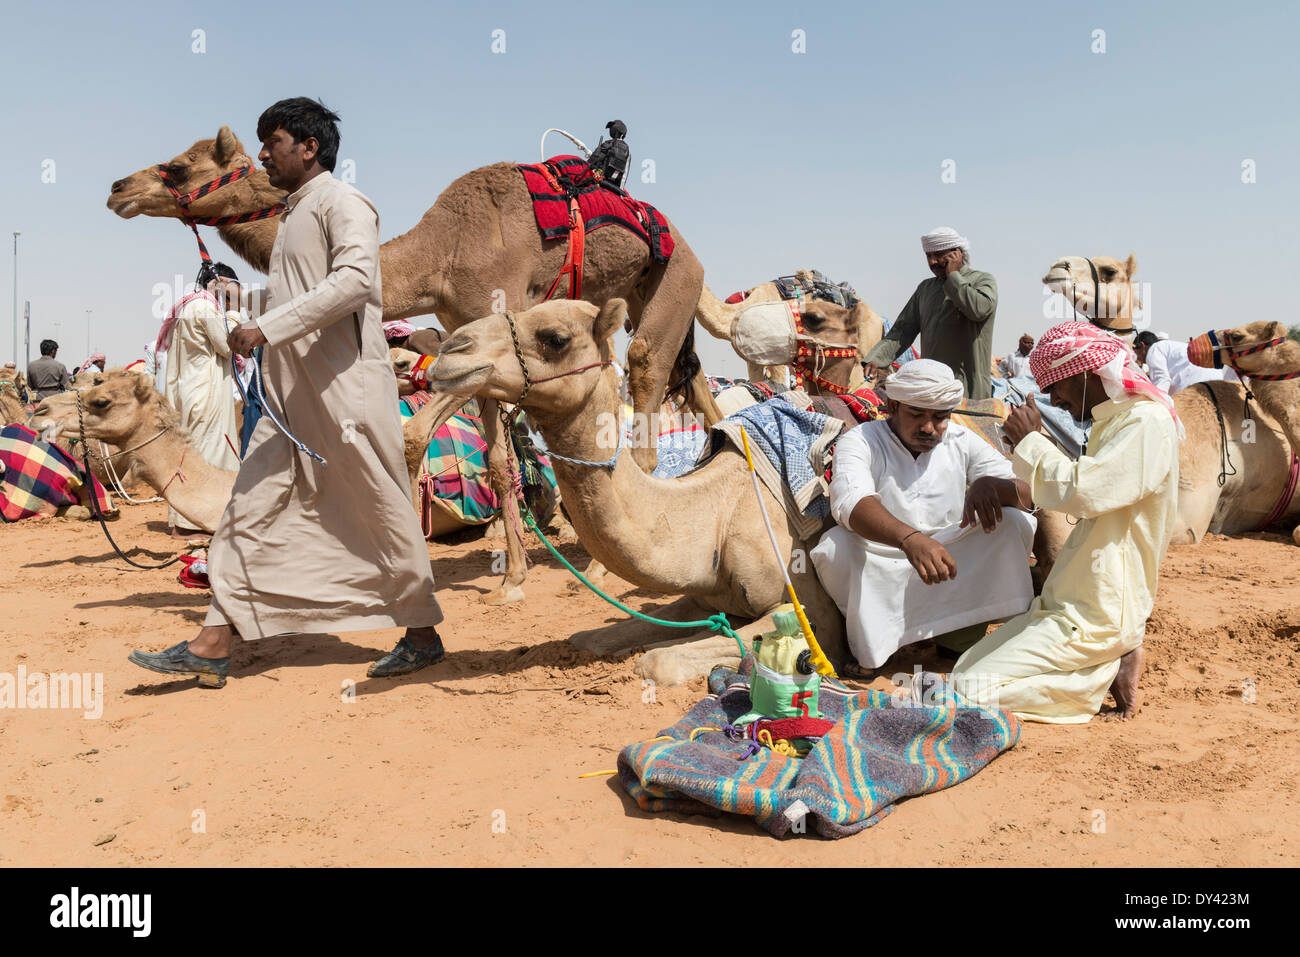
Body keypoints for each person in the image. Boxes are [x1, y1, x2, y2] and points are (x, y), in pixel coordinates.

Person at [128, 96, 445, 688]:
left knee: (379, 507)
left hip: (343, 391)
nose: (263, 157)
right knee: (246, 510)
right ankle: (213, 643)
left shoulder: (343, 202)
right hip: (288, 398)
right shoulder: (296, 214)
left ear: (309, 147)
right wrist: (243, 301)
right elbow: (296, 294)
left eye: (272, 144)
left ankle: (422, 632)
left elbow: (353, 281)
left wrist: (265, 326)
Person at [953, 321, 1181, 723]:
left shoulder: (1146, 423)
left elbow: (1088, 492)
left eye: (1056, 385)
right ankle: (1104, 661)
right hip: (1071, 598)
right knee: (962, 671)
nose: (1053, 399)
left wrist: (1030, 440)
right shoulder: (1115, 420)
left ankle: (1097, 676)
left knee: (967, 691)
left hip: (1099, 608)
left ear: (1085, 374)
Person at [811, 359, 1037, 674]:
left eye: (939, 417)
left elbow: (1027, 492)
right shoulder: (862, 440)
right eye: (916, 414)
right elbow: (851, 502)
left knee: (1016, 523)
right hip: (885, 554)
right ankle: (881, 647)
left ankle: (957, 638)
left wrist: (992, 486)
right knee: (837, 547)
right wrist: (909, 539)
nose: (929, 427)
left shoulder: (960, 440)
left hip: (948, 555)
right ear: (893, 406)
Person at [155, 261, 243, 533]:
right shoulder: (205, 307)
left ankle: (183, 519)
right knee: (207, 455)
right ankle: (194, 522)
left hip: (189, 390)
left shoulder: (189, 305)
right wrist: (237, 315)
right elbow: (227, 346)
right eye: (230, 293)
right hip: (205, 393)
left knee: (189, 454)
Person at [862, 227, 999, 400]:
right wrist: (877, 359)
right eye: (928, 256)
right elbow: (902, 330)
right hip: (931, 386)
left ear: (957, 254)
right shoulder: (925, 288)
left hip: (968, 388)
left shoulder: (982, 280)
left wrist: (953, 276)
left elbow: (978, 310)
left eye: (939, 255)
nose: (933, 262)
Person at [1133, 330, 1237, 394]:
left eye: (1135, 352)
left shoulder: (1154, 349)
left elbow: (1162, 382)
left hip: (1195, 388)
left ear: (1142, 346)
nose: (1135, 357)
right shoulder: (1172, 347)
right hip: (1215, 384)